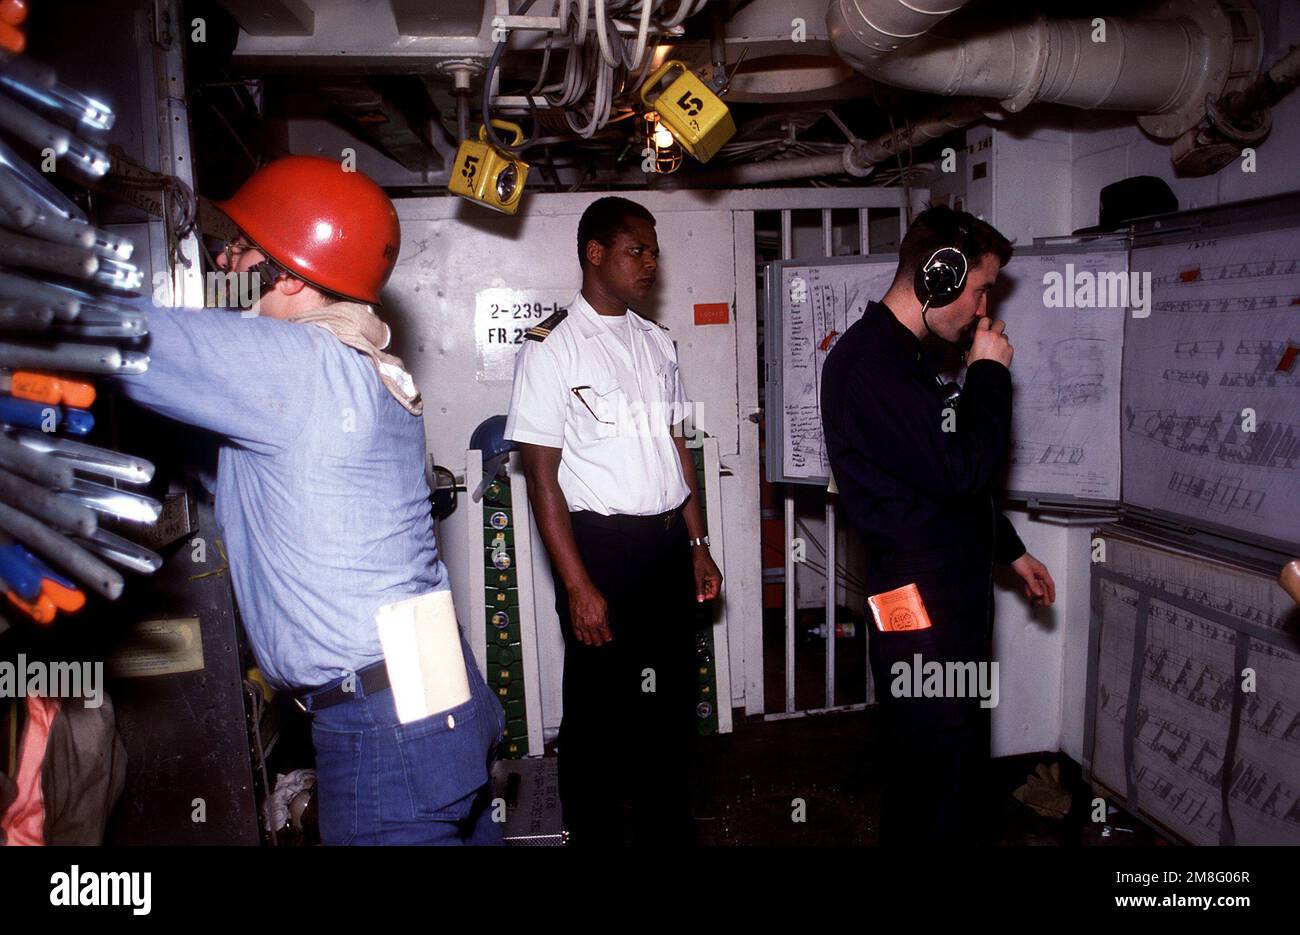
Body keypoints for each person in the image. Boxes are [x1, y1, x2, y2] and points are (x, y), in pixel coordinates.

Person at [116, 155, 504, 845]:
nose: (227, 264)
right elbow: (279, 487)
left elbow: (112, 332)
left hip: (382, 727)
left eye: (239, 248)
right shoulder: (366, 369)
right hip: (442, 692)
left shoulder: (291, 361)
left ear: (290, 274)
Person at [820, 205, 1056, 844]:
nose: (983, 310)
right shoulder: (874, 366)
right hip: (916, 604)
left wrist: (1010, 551)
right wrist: (988, 373)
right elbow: (962, 471)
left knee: (938, 758)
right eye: (980, 289)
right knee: (938, 759)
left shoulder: (904, 360)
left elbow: (941, 482)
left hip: (935, 592)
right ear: (941, 277)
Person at [504, 196, 722, 845]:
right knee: (600, 707)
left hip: (665, 548)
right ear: (595, 253)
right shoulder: (552, 347)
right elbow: (541, 476)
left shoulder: (657, 342)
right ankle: (594, 830)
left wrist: (698, 542)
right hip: (601, 548)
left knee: (671, 699)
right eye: (638, 249)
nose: (651, 262)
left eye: (654, 250)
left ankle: (666, 822)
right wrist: (576, 584)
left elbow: (677, 447)